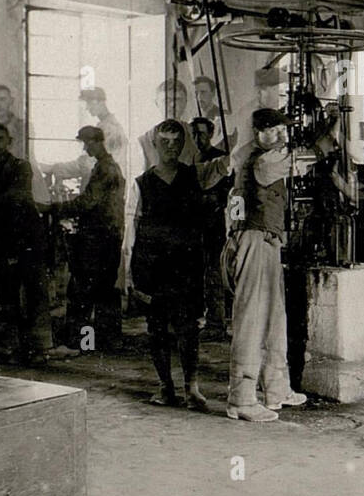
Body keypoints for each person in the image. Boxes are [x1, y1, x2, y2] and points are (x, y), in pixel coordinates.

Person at [132, 120, 230, 410]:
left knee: (188, 329)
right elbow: (133, 227)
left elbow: (226, 165)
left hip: (187, 265)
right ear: (155, 144)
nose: (170, 146)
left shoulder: (196, 175)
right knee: (157, 328)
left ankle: (192, 389)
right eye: (164, 141)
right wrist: (131, 271)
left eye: (176, 141)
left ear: (183, 144)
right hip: (154, 266)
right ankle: (165, 387)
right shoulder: (142, 183)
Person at [222, 108, 309, 422]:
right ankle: (241, 399)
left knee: (275, 319)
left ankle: (276, 389)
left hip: (264, 239)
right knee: (252, 320)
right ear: (258, 131)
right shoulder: (262, 161)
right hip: (254, 241)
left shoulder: (249, 155)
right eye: (274, 130)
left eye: (283, 130)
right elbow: (302, 162)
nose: (281, 136)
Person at [0, 121, 53, 365]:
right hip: (3, 239)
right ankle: (16, 347)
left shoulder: (21, 166)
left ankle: (39, 350)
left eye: (0, 139)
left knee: (33, 295)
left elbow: (14, 197)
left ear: (9, 141)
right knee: (8, 295)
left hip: (26, 237)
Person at [53, 126, 125, 353]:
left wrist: (55, 208)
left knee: (82, 291)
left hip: (98, 238)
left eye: (86, 143)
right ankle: (105, 343)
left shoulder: (105, 168)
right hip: (109, 236)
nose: (85, 147)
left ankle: (79, 344)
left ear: (96, 141)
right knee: (104, 291)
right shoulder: (110, 167)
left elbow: (87, 202)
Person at [191, 116, 232, 337]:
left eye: (202, 133)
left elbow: (229, 192)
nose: (198, 138)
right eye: (194, 134)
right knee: (201, 274)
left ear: (211, 134)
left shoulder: (219, 159)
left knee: (214, 274)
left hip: (215, 224)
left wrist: (213, 201)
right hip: (198, 225)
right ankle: (206, 318)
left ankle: (217, 323)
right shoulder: (195, 157)